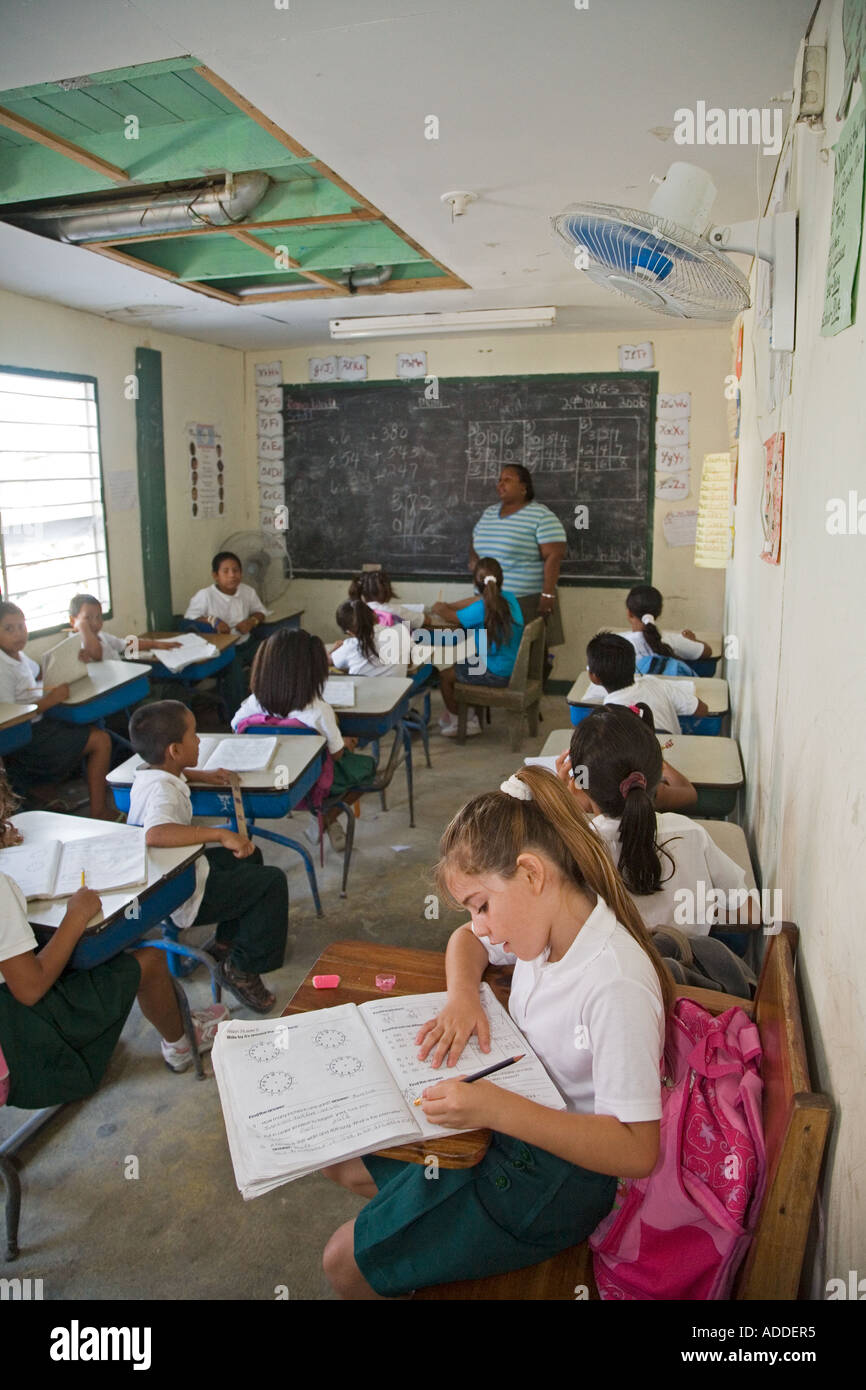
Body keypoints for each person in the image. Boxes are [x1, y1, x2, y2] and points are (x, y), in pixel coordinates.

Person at [320, 766, 672, 1298]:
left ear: (532, 874)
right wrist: (462, 996)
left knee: (342, 1261)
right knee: (342, 1162)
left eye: (482, 905)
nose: (480, 923)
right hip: (508, 1122)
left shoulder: (613, 983)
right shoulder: (548, 922)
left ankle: (414, 1235)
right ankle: (419, 1228)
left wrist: (492, 1110)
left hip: (558, 1179)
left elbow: (636, 1150)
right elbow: (467, 941)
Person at [0, 773, 227, 1092]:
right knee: (149, 960)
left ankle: (101, 1033)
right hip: (18, 1025)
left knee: (89, 944)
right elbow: (30, 988)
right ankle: (180, 1045)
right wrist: (75, 918)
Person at [127, 701, 288, 1014]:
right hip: (178, 891)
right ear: (174, 750)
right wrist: (220, 834)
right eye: (194, 736)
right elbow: (156, 832)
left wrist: (200, 774)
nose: (199, 741)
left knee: (250, 857)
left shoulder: (150, 774)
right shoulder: (164, 792)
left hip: (177, 870)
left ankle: (226, 944)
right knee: (272, 884)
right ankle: (241, 970)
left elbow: (166, 779)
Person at [557, 705, 756, 931]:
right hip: (684, 964)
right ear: (655, 775)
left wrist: (562, 808)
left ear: (579, 780)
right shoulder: (690, 833)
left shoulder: (570, 851)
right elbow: (751, 914)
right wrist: (703, 908)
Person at [232, 629, 376, 853]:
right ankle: (327, 816)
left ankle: (324, 819)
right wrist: (346, 743)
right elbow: (336, 754)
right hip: (311, 788)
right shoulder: (319, 710)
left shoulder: (253, 703)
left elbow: (237, 728)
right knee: (368, 768)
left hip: (268, 783)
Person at [0, 601, 118, 819]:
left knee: (88, 725)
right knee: (100, 740)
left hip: (38, 725)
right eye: (9, 629)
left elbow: (38, 681)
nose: (18, 634)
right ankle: (99, 810)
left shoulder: (18, 655)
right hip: (23, 737)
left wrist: (73, 663)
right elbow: (12, 715)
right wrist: (52, 699)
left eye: (22, 627)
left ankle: (40, 792)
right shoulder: (2, 665)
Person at [469, 464, 567, 648]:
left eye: (507, 480)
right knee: (491, 652)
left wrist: (548, 594)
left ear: (524, 487)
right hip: (486, 598)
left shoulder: (540, 516)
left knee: (526, 656)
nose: (500, 484)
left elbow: (554, 555)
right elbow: (475, 540)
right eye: (499, 480)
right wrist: (474, 560)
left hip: (523, 601)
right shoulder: (489, 513)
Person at [430, 557, 524, 737]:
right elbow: (475, 601)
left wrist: (440, 607)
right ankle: (466, 713)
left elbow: (451, 616)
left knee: (445, 675)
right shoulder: (510, 599)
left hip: (496, 674)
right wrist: (450, 604)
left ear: (475, 581)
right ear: (500, 579)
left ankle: (462, 721)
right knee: (464, 661)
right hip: (512, 667)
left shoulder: (482, 608)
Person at [585, 633, 708, 735]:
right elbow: (702, 709)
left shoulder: (605, 719)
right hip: (673, 758)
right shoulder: (655, 684)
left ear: (594, 677)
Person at [184, 551, 268, 648]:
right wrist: (213, 621)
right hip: (219, 647)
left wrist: (252, 621)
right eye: (225, 571)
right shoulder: (205, 595)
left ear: (241, 573)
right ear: (215, 575)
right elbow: (189, 620)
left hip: (245, 642)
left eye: (235, 570)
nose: (232, 575)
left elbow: (261, 612)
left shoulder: (248, 591)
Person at [69, 594, 181, 663]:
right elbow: (96, 654)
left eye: (99, 617)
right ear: (73, 621)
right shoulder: (75, 645)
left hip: (121, 682)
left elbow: (126, 644)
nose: (95, 623)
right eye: (87, 618)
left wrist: (155, 644)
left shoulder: (102, 636)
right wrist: (83, 627)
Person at [621, 585, 711, 664]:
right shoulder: (673, 640)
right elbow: (707, 651)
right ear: (659, 613)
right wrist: (693, 640)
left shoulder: (617, 642)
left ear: (629, 613)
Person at [330, 600, 408, 677]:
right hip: (399, 688)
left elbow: (325, 662)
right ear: (374, 614)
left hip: (364, 689)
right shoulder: (401, 631)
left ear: (349, 632)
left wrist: (333, 649)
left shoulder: (349, 647)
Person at [347, 570, 425, 630]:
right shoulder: (393, 610)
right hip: (401, 645)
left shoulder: (357, 611)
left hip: (374, 647)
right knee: (432, 636)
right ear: (388, 590)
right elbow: (422, 621)